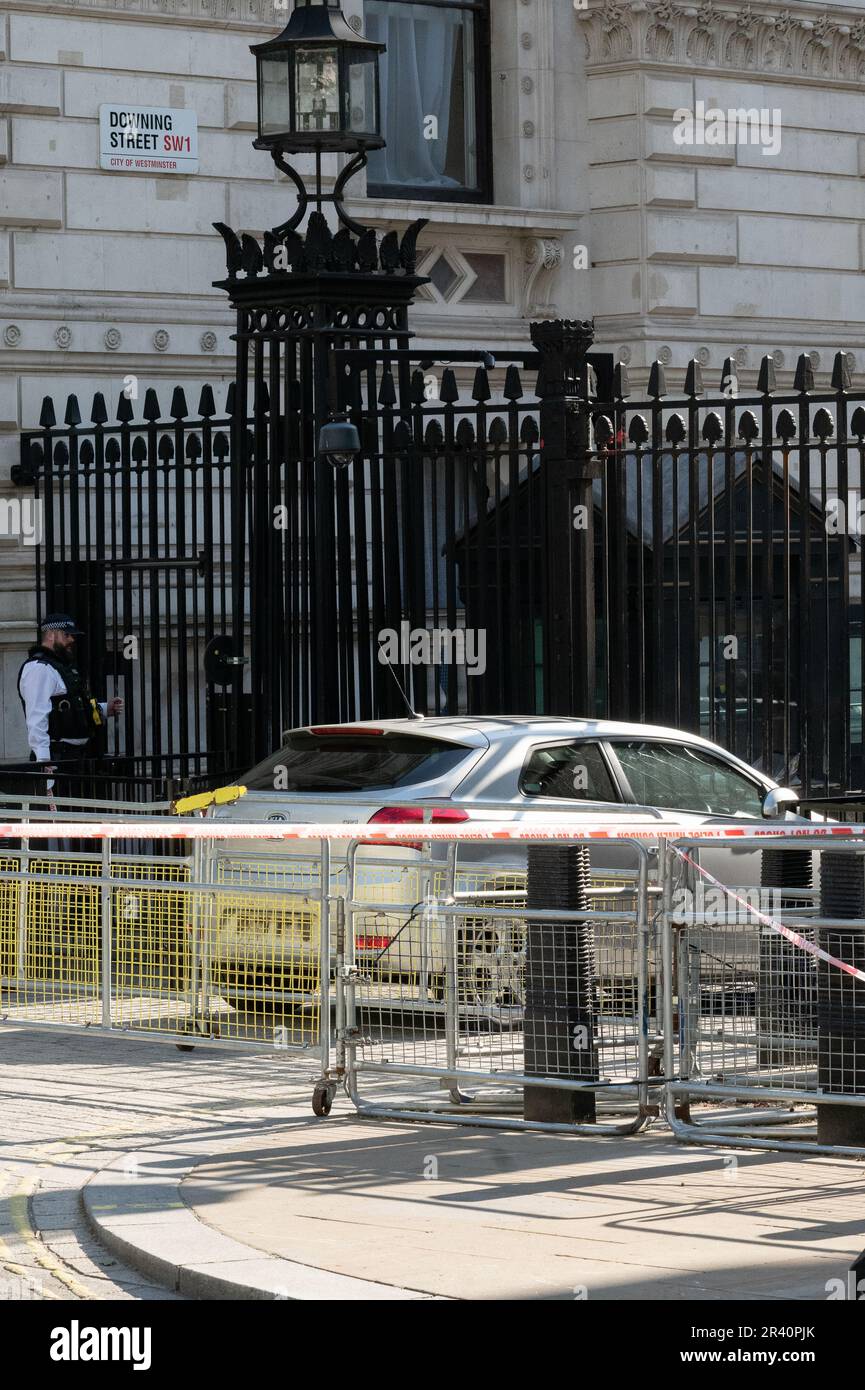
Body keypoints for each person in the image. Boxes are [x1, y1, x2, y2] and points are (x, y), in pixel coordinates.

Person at [17, 614, 124, 804]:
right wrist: (45, 765)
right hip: (58, 760)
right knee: (58, 823)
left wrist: (104, 708)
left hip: (76, 759)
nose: (72, 640)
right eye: (67, 635)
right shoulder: (39, 669)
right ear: (51, 635)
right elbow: (37, 719)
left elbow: (75, 706)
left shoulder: (61, 667)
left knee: (78, 820)